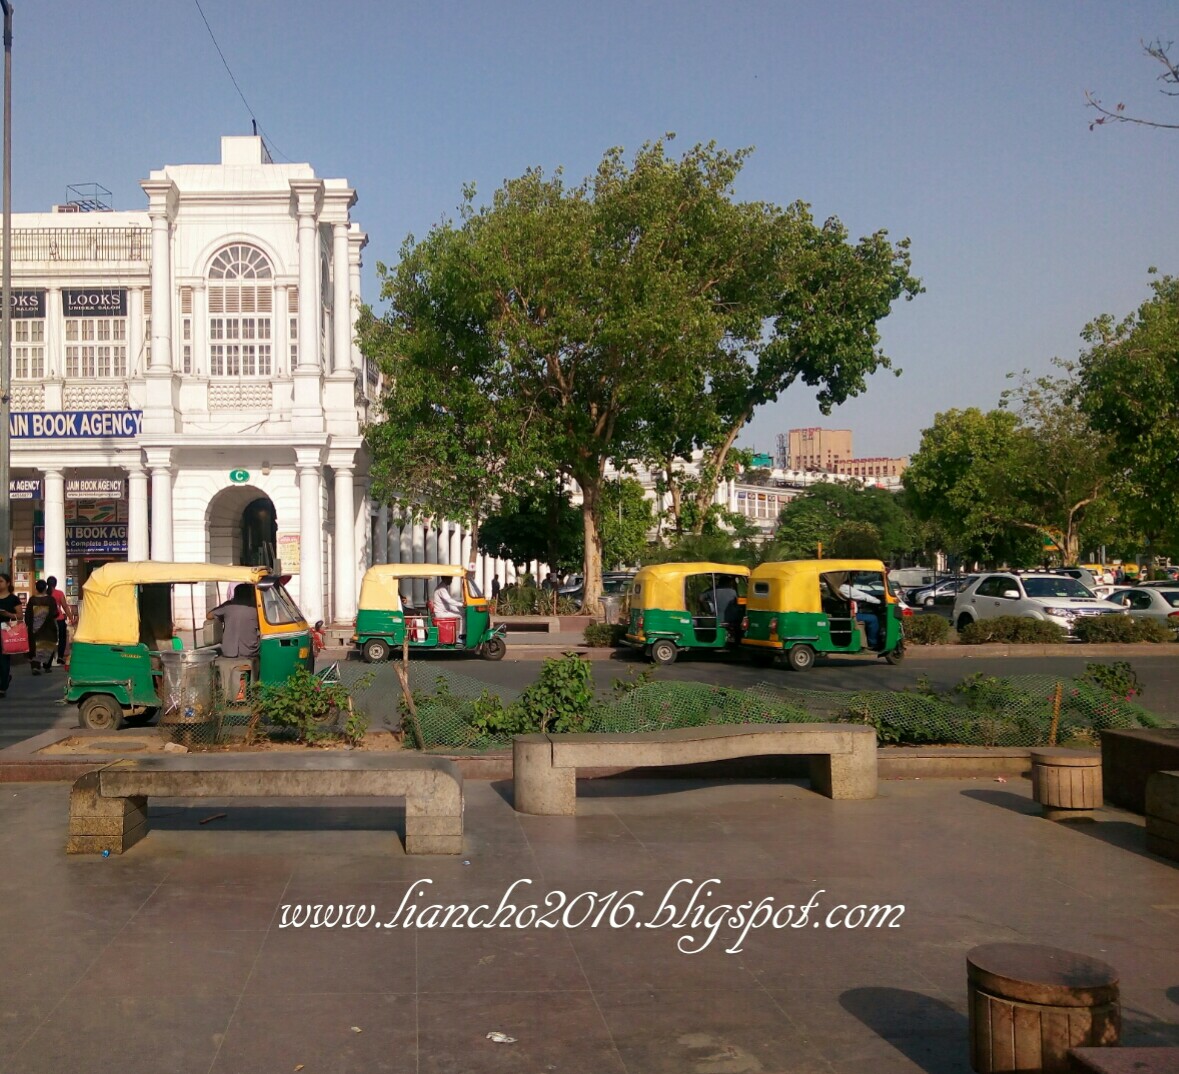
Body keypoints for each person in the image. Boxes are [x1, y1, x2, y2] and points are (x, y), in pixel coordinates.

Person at [206, 583, 260, 659]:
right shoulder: (256, 608)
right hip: (250, 651)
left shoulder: (227, 606)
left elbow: (209, 616)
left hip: (228, 651)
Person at [838, 578, 883, 650]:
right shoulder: (845, 588)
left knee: (869, 615)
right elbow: (863, 596)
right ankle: (873, 643)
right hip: (851, 615)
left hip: (846, 613)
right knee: (873, 619)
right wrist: (879, 601)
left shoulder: (839, 587)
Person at [26, 580, 59, 675]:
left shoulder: (32, 600)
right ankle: (47, 666)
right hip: (48, 627)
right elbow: (55, 613)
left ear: (36, 588)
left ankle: (35, 666)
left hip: (34, 628)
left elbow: (28, 615)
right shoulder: (50, 599)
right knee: (48, 644)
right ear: (45, 588)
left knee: (35, 647)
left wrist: (29, 624)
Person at [43, 575, 73, 670]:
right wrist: (70, 617)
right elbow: (64, 606)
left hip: (47, 620)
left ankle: (47, 661)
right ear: (55, 584)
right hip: (59, 619)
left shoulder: (44, 593)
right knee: (62, 638)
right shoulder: (59, 593)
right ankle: (60, 656)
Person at [0, 573, 23, 698]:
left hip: (7, 632)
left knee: (4, 660)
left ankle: (3, 686)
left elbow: (20, 616)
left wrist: (8, 614)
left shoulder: (13, 599)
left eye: (1, 581)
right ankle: (4, 679)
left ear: (8, 583)